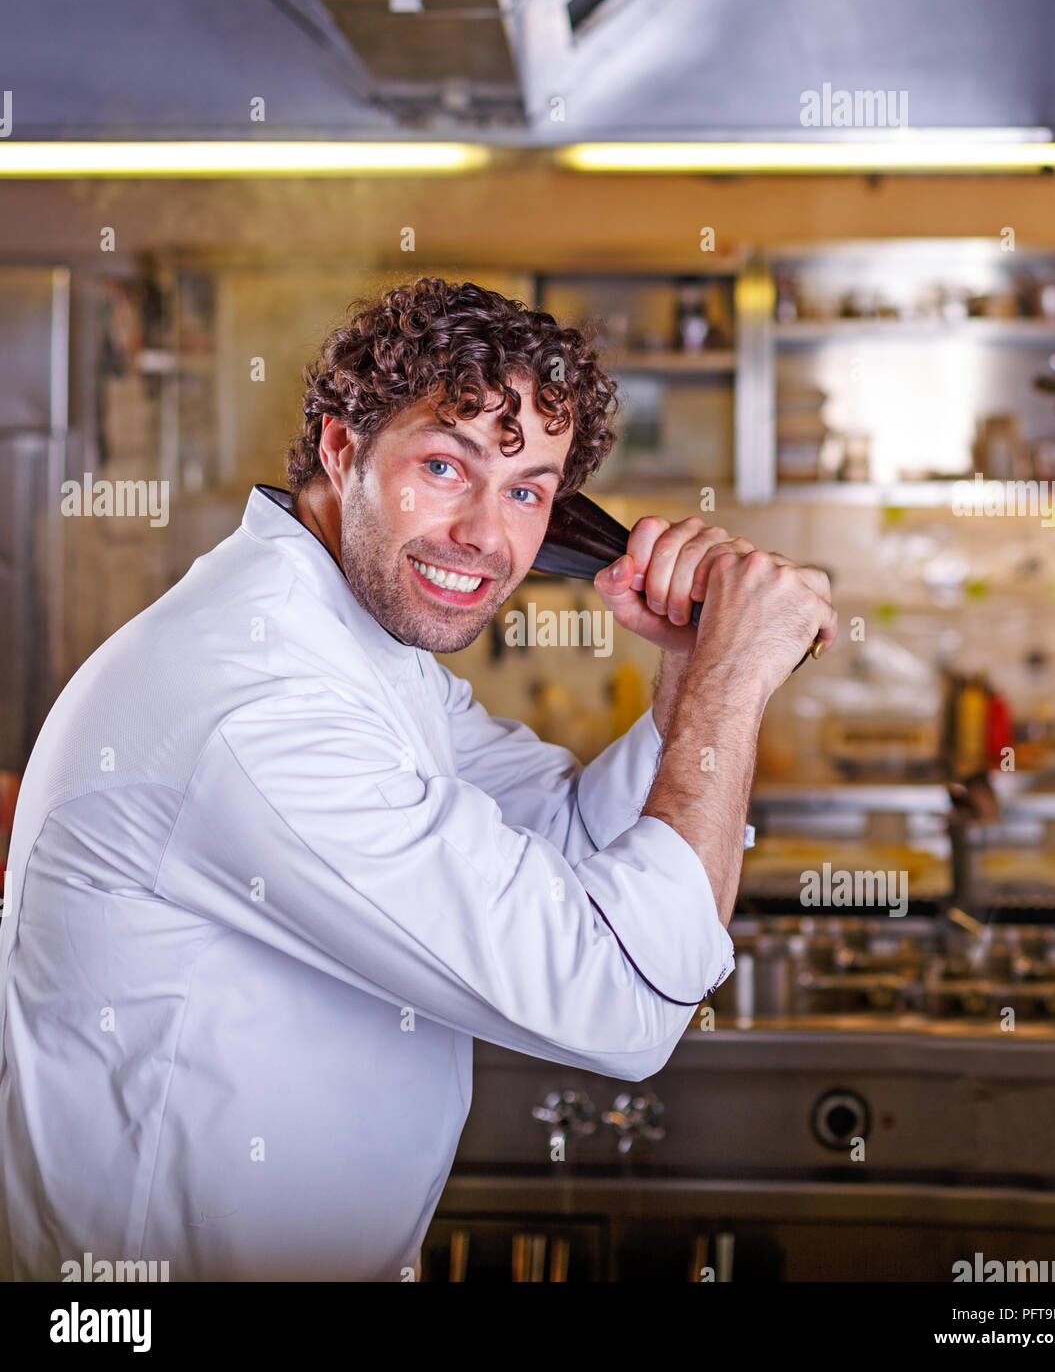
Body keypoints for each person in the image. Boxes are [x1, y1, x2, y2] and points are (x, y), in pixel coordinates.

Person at [0, 278, 835, 1281]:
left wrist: (693, 678)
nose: (488, 534)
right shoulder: (264, 709)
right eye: (447, 465)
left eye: (528, 488)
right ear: (340, 448)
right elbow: (621, 996)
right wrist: (735, 685)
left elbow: (566, 841)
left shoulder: (350, 656)